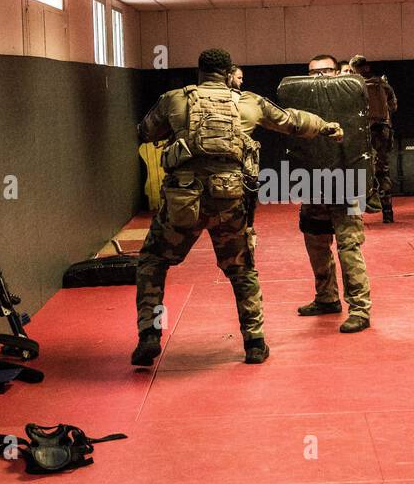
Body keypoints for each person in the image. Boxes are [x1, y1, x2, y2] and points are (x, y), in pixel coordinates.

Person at [133, 48, 343, 366]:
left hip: (182, 199)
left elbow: (145, 132)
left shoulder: (174, 98)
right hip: (229, 198)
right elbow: (291, 121)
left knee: (152, 261)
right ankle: (254, 343)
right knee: (241, 270)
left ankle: (149, 335)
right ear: (229, 72)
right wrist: (326, 126)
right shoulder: (248, 102)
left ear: (200, 71)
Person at [294, 54, 372, 333]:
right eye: (311, 73)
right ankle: (326, 297)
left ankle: (360, 309)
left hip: (346, 182)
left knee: (348, 245)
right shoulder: (301, 102)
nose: (316, 78)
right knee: (315, 242)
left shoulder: (350, 97)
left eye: (324, 71)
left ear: (337, 72)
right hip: (314, 183)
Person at [354, 55, 397, 224]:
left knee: (357, 172)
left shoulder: (354, 86)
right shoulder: (383, 84)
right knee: (383, 171)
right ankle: (388, 212)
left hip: (363, 132)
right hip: (384, 130)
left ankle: (355, 215)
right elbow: (393, 106)